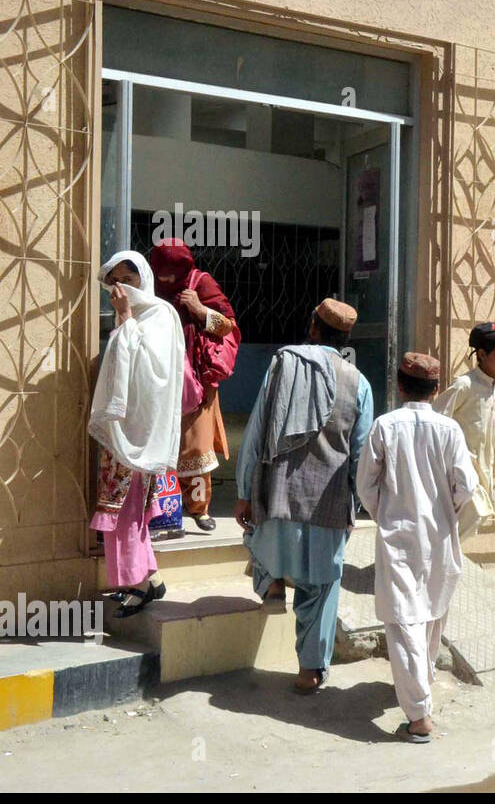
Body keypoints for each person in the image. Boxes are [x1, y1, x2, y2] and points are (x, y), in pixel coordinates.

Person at [233, 299, 373, 694]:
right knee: (322, 583)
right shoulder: (358, 382)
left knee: (264, 539)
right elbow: (360, 453)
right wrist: (356, 506)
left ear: (313, 327)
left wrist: (245, 491)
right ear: (345, 337)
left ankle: (272, 582)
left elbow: (259, 428)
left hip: (277, 490)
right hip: (328, 499)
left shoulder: (284, 363)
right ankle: (310, 669)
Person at [357, 352, 477, 743]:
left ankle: (420, 715)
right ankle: (419, 688)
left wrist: (385, 513)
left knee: (404, 619)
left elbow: (365, 485)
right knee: (431, 611)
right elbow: (467, 485)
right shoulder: (450, 430)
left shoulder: (384, 426)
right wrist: (447, 512)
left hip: (399, 536)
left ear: (399, 385)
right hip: (440, 536)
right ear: (437, 389)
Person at [88, 250, 184, 618]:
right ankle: (149, 579)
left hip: (140, 435)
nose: (123, 289)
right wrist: (126, 322)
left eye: (129, 280)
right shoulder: (135, 317)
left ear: (143, 279)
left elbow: (154, 376)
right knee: (121, 510)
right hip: (123, 435)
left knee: (126, 513)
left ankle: (137, 584)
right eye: (116, 283)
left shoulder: (159, 314)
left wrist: (127, 320)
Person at [149, 238, 240, 531]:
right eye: (162, 272)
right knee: (161, 445)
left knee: (198, 448)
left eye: (173, 273)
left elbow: (229, 326)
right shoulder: (148, 287)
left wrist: (200, 310)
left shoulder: (200, 282)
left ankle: (199, 509)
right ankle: (162, 508)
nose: (166, 279)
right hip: (160, 378)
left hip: (197, 381)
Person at [432, 323, 495, 539]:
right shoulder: (465, 385)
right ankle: (440, 560)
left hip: (485, 468)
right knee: (474, 511)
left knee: (472, 517)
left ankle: (441, 560)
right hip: (462, 468)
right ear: (481, 354)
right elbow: (436, 420)